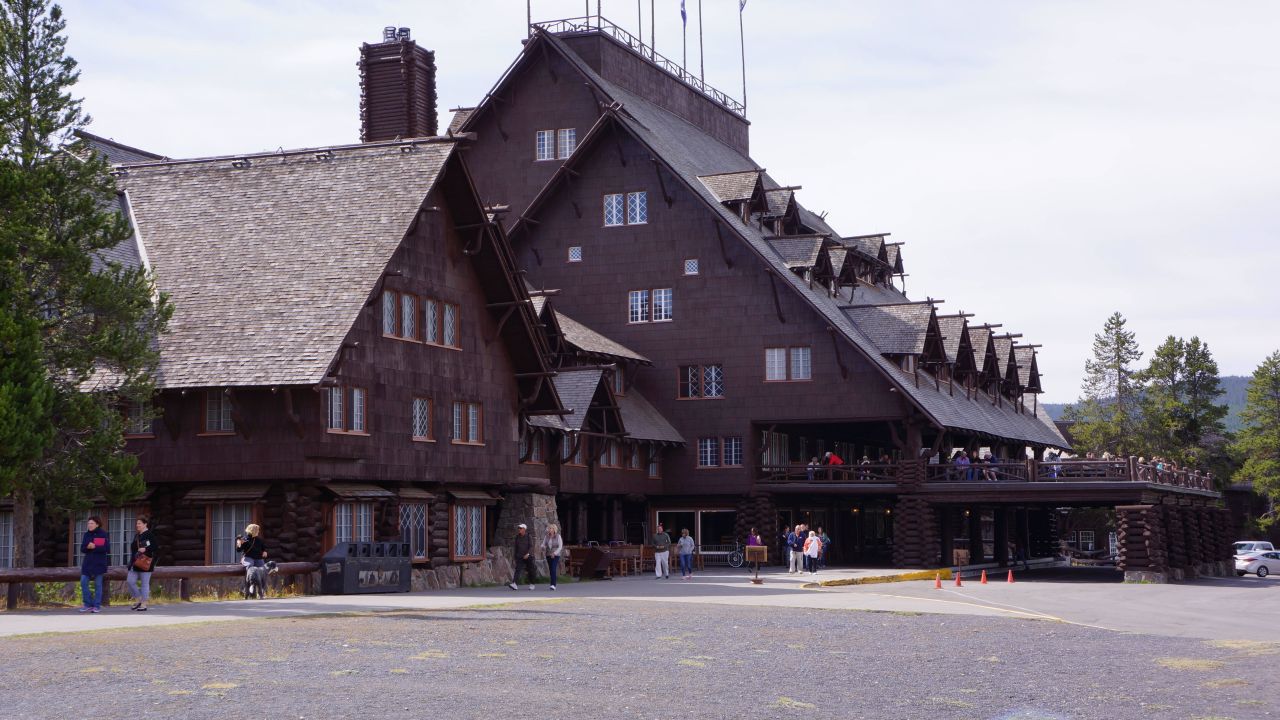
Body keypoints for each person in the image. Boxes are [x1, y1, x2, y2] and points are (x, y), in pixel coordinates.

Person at [126, 515, 157, 611]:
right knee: (130, 581)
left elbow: (155, 547)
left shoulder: (149, 535)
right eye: (137, 523)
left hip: (145, 563)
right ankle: (138, 598)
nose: (137, 525)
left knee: (144, 584)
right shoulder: (137, 535)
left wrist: (146, 549)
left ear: (145, 524)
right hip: (135, 562)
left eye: (139, 523)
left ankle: (144, 603)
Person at [79, 516, 109, 614]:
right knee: (83, 582)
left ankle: (96, 606)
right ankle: (87, 604)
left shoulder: (103, 534)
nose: (89, 525)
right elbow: (82, 549)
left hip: (99, 563)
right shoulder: (86, 535)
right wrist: (88, 547)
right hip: (87, 563)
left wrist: (94, 547)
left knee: (98, 585)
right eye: (88, 523)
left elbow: (106, 548)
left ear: (97, 524)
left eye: (91, 523)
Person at [509, 523, 536, 590]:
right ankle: (514, 584)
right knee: (518, 569)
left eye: (520, 528)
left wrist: (528, 554)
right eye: (519, 528)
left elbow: (531, 546)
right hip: (519, 556)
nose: (519, 529)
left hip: (528, 556)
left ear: (524, 529)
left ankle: (532, 584)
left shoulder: (528, 536)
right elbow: (516, 547)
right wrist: (515, 556)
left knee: (530, 570)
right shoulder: (517, 537)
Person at [541, 524, 563, 591]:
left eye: (551, 528)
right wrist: (542, 546)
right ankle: (552, 584)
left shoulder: (558, 536)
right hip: (548, 555)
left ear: (554, 529)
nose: (549, 530)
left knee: (553, 569)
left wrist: (555, 553)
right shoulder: (546, 536)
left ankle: (553, 585)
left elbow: (560, 547)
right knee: (551, 570)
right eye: (549, 528)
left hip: (556, 555)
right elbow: (543, 544)